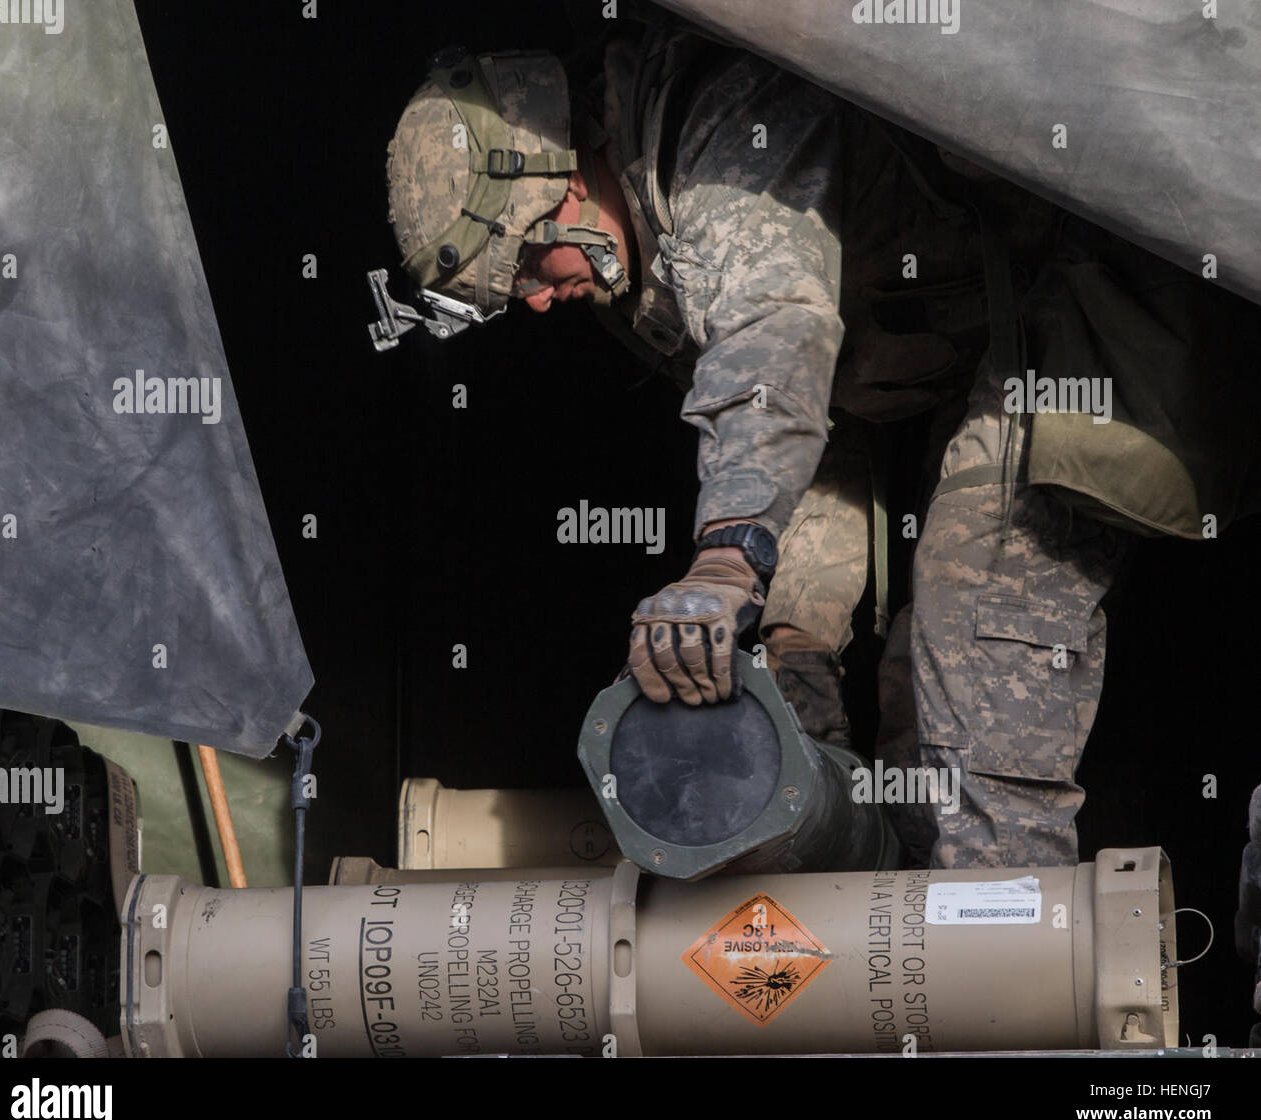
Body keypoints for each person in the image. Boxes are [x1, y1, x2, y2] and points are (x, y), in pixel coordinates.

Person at [381, 23, 1261, 870]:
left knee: (974, 635)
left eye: (529, 267)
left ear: (564, 185)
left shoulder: (721, 127)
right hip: (913, 375)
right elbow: (815, 425)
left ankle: (1017, 973)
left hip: (1052, 312)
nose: (536, 301)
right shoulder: (621, 249)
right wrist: (799, 629)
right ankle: (906, 979)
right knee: (841, 703)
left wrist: (727, 562)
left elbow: (778, 342)